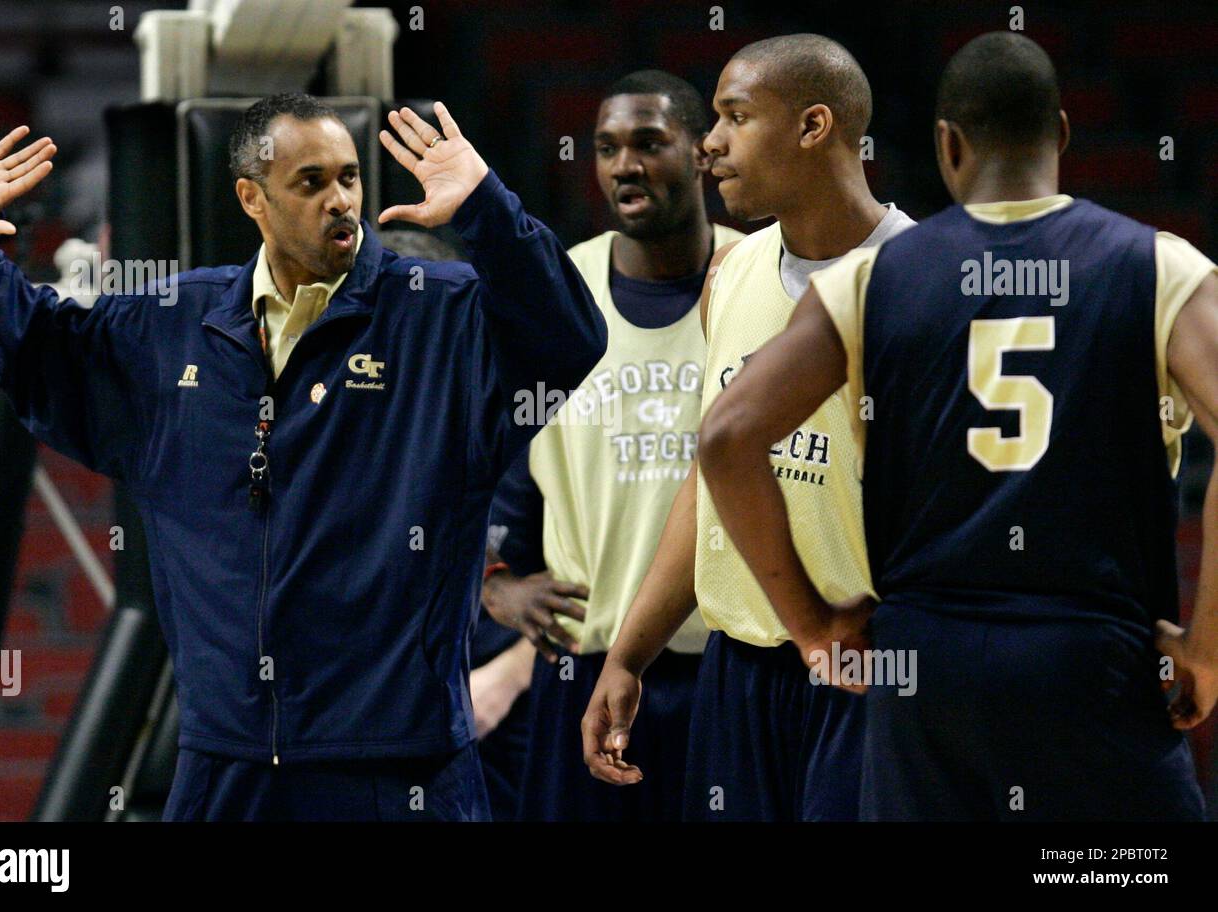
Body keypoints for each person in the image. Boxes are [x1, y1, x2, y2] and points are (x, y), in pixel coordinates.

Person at [0, 92, 606, 821]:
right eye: (311, 182)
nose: (340, 201)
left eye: (349, 178)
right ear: (251, 198)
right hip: (227, 767)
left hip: (403, 768)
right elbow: (42, 346)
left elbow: (567, 339)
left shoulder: (438, 314)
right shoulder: (172, 324)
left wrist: (487, 209)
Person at [698, 31, 1215, 821]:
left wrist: (813, 628)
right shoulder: (1158, 266)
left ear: (947, 144)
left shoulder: (872, 278)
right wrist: (1207, 647)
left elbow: (726, 438)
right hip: (1092, 658)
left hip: (922, 668)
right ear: (1064, 135)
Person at [583, 35, 915, 821]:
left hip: (869, 668)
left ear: (813, 127)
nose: (711, 143)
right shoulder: (729, 274)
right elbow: (712, 479)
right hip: (739, 674)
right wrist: (631, 652)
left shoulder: (921, 274)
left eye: (736, 116)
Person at [481, 70, 743, 820]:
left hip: (725, 665)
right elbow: (493, 467)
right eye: (605, 148)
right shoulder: (560, 291)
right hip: (582, 670)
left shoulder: (763, 276)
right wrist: (494, 580)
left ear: (700, 153)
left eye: (649, 144)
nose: (624, 164)